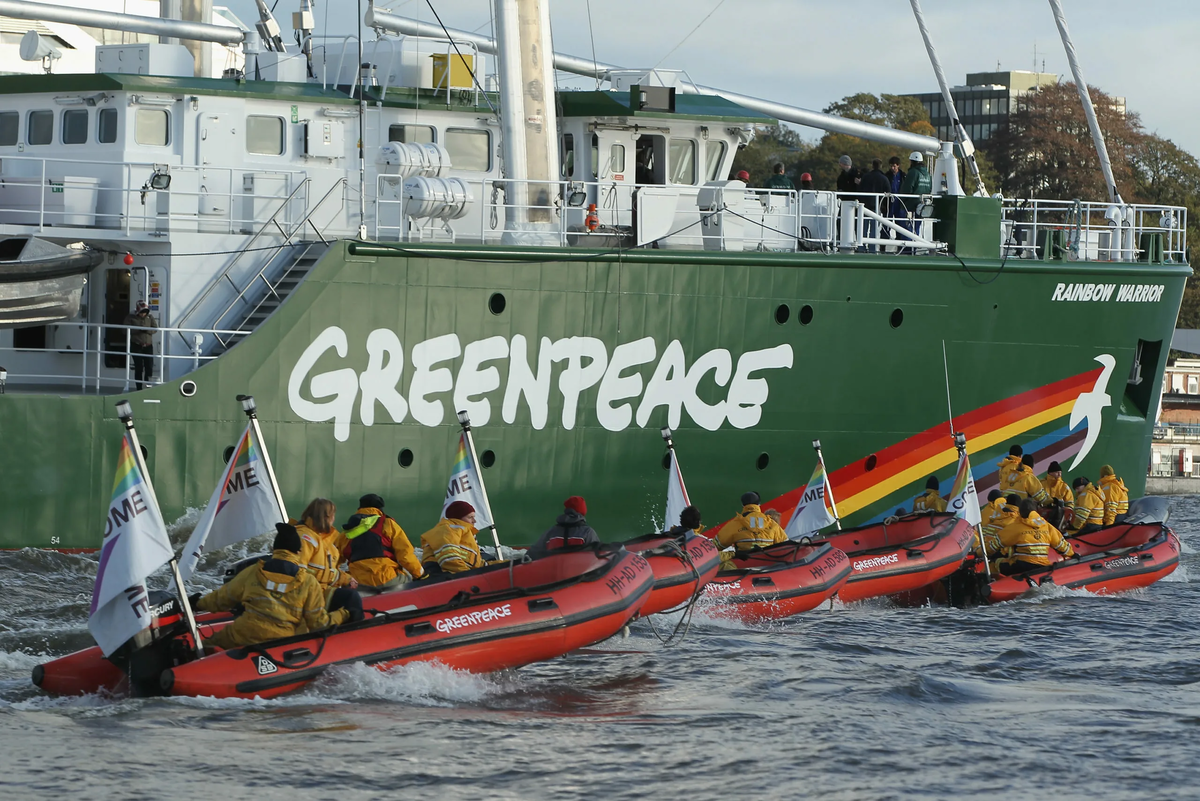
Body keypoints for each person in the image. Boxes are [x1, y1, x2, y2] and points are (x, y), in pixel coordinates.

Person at [193, 523, 361, 650]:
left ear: (274, 549)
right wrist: (344, 613)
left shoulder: (252, 571)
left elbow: (221, 599)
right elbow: (319, 623)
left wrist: (197, 603)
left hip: (242, 634)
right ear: (297, 552)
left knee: (204, 646)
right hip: (281, 642)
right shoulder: (308, 582)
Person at [338, 493, 423, 593]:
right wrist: (420, 574)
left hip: (360, 583)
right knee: (409, 582)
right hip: (388, 579)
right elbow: (405, 555)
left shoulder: (347, 532)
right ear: (380, 509)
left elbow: (333, 559)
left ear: (360, 508)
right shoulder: (388, 524)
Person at [991, 498, 1075, 576]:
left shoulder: (1015, 527)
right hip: (1042, 566)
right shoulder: (1046, 526)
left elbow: (995, 544)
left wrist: (980, 553)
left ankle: (991, 584)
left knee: (996, 562)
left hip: (1020, 567)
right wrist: (1072, 554)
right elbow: (1061, 544)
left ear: (1020, 511)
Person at [296, 498, 356, 596]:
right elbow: (298, 571)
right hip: (308, 593)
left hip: (319, 590)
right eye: (332, 515)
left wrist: (346, 579)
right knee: (351, 598)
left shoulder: (324, 538)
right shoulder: (305, 538)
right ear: (325, 517)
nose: (334, 519)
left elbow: (328, 570)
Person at [714, 492, 788, 567]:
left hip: (742, 567)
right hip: (769, 566)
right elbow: (786, 546)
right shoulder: (771, 523)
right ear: (759, 504)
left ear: (743, 505)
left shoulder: (735, 524)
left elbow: (715, 547)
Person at [421, 500, 486, 574]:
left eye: (474, 517)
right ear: (458, 518)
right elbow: (449, 558)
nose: (474, 521)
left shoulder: (463, 532)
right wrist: (468, 575)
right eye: (470, 517)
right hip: (439, 573)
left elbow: (476, 564)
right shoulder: (448, 530)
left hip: (455, 572)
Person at [527, 495, 600, 559]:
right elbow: (597, 554)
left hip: (552, 571)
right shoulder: (588, 532)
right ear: (583, 512)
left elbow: (534, 552)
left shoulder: (552, 531)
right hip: (578, 572)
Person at [123, 301, 158, 390]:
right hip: (136, 345)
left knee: (149, 367)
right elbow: (124, 330)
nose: (143, 314)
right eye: (142, 312)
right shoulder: (131, 317)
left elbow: (155, 328)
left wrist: (146, 330)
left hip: (148, 346)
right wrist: (137, 330)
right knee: (138, 368)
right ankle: (138, 388)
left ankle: (148, 388)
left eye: (145, 312)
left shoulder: (150, 317)